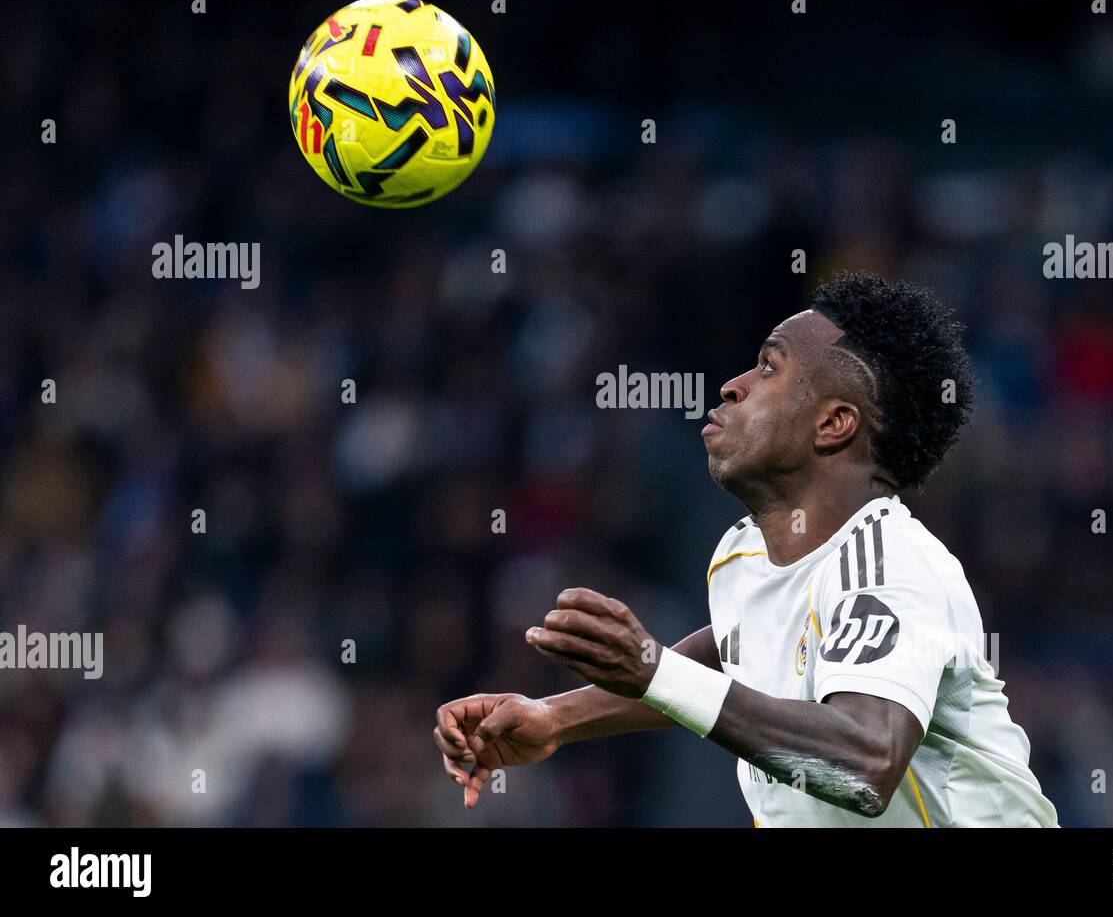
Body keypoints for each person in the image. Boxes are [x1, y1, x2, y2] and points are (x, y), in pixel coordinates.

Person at [435, 271, 1058, 826]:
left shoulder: (889, 562)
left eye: (768, 368)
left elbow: (867, 766)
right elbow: (735, 654)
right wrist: (555, 717)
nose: (733, 386)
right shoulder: (745, 555)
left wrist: (655, 670)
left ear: (833, 424)